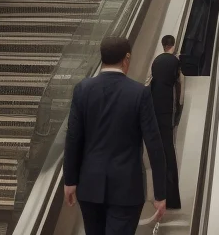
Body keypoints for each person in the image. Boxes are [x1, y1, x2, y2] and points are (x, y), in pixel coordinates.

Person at [64, 37, 167, 235]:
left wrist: (70, 180)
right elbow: (154, 144)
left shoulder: (82, 90)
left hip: (90, 186)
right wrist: (160, 194)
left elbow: (73, 138)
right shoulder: (139, 93)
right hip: (127, 189)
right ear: (126, 58)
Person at [149, 35, 184, 210]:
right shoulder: (175, 62)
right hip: (167, 111)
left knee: (159, 152)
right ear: (173, 45)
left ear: (162, 45)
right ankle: (172, 199)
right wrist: (179, 110)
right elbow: (178, 87)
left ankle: (159, 194)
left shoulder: (156, 61)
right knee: (170, 153)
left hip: (155, 110)